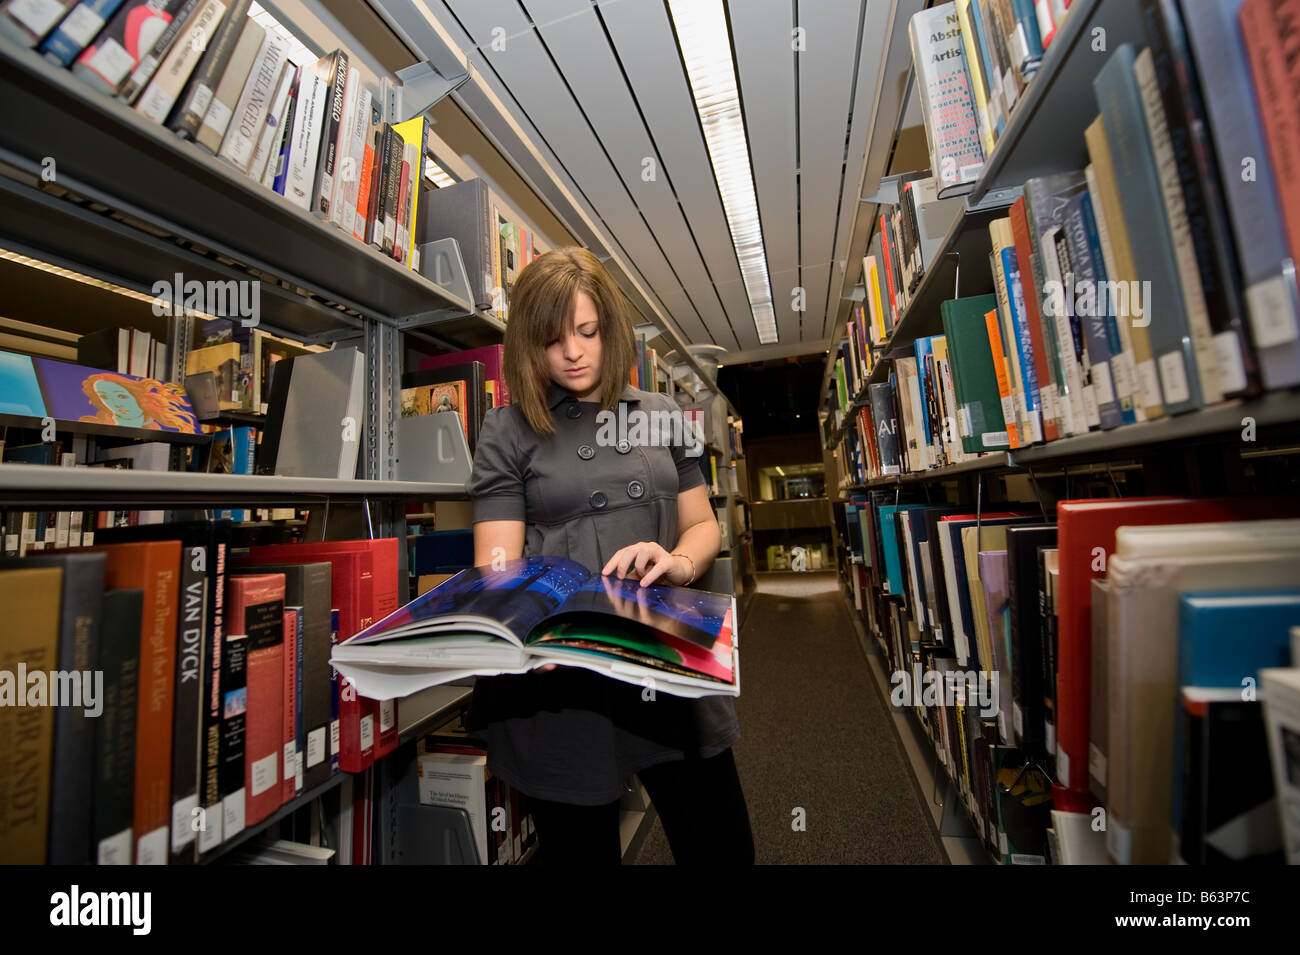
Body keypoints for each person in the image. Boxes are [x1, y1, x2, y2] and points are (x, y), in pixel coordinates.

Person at [467, 246, 754, 865]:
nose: (572, 351)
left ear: (611, 329)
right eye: (551, 339)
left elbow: (702, 525)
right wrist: (524, 627)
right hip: (562, 684)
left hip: (662, 661)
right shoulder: (508, 429)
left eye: (588, 331)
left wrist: (677, 562)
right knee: (582, 855)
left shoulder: (662, 417)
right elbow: (497, 565)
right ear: (527, 346)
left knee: (724, 848)